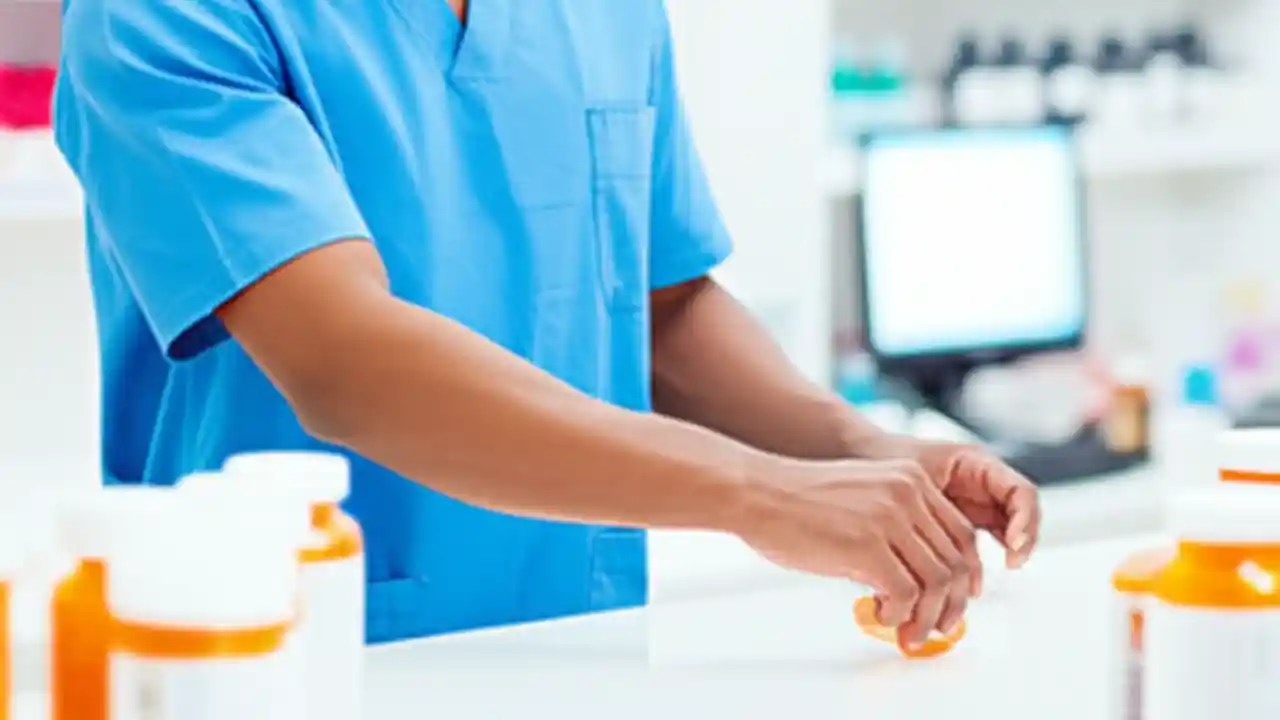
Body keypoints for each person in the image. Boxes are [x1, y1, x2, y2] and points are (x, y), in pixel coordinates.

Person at [54, 0, 1040, 647]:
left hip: (581, 645)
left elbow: (659, 307)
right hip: (276, 652)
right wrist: (769, 498)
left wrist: (856, 451)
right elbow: (343, 361)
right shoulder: (164, 16)